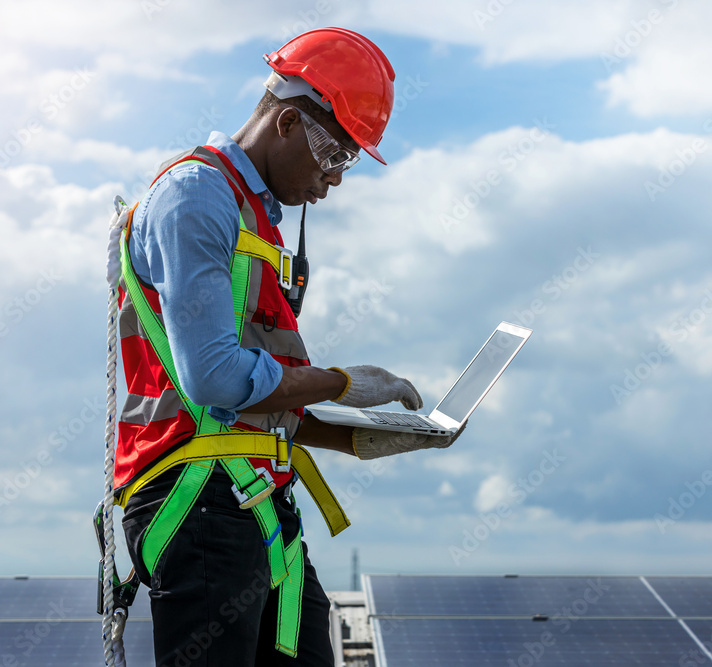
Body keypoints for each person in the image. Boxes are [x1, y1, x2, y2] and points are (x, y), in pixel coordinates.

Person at [115, 27, 463, 667]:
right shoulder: (197, 198)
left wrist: (364, 435)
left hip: (248, 500)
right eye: (335, 156)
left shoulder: (246, 212)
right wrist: (342, 382)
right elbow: (217, 380)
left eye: (348, 163)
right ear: (286, 122)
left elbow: (249, 406)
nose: (333, 181)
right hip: (200, 505)